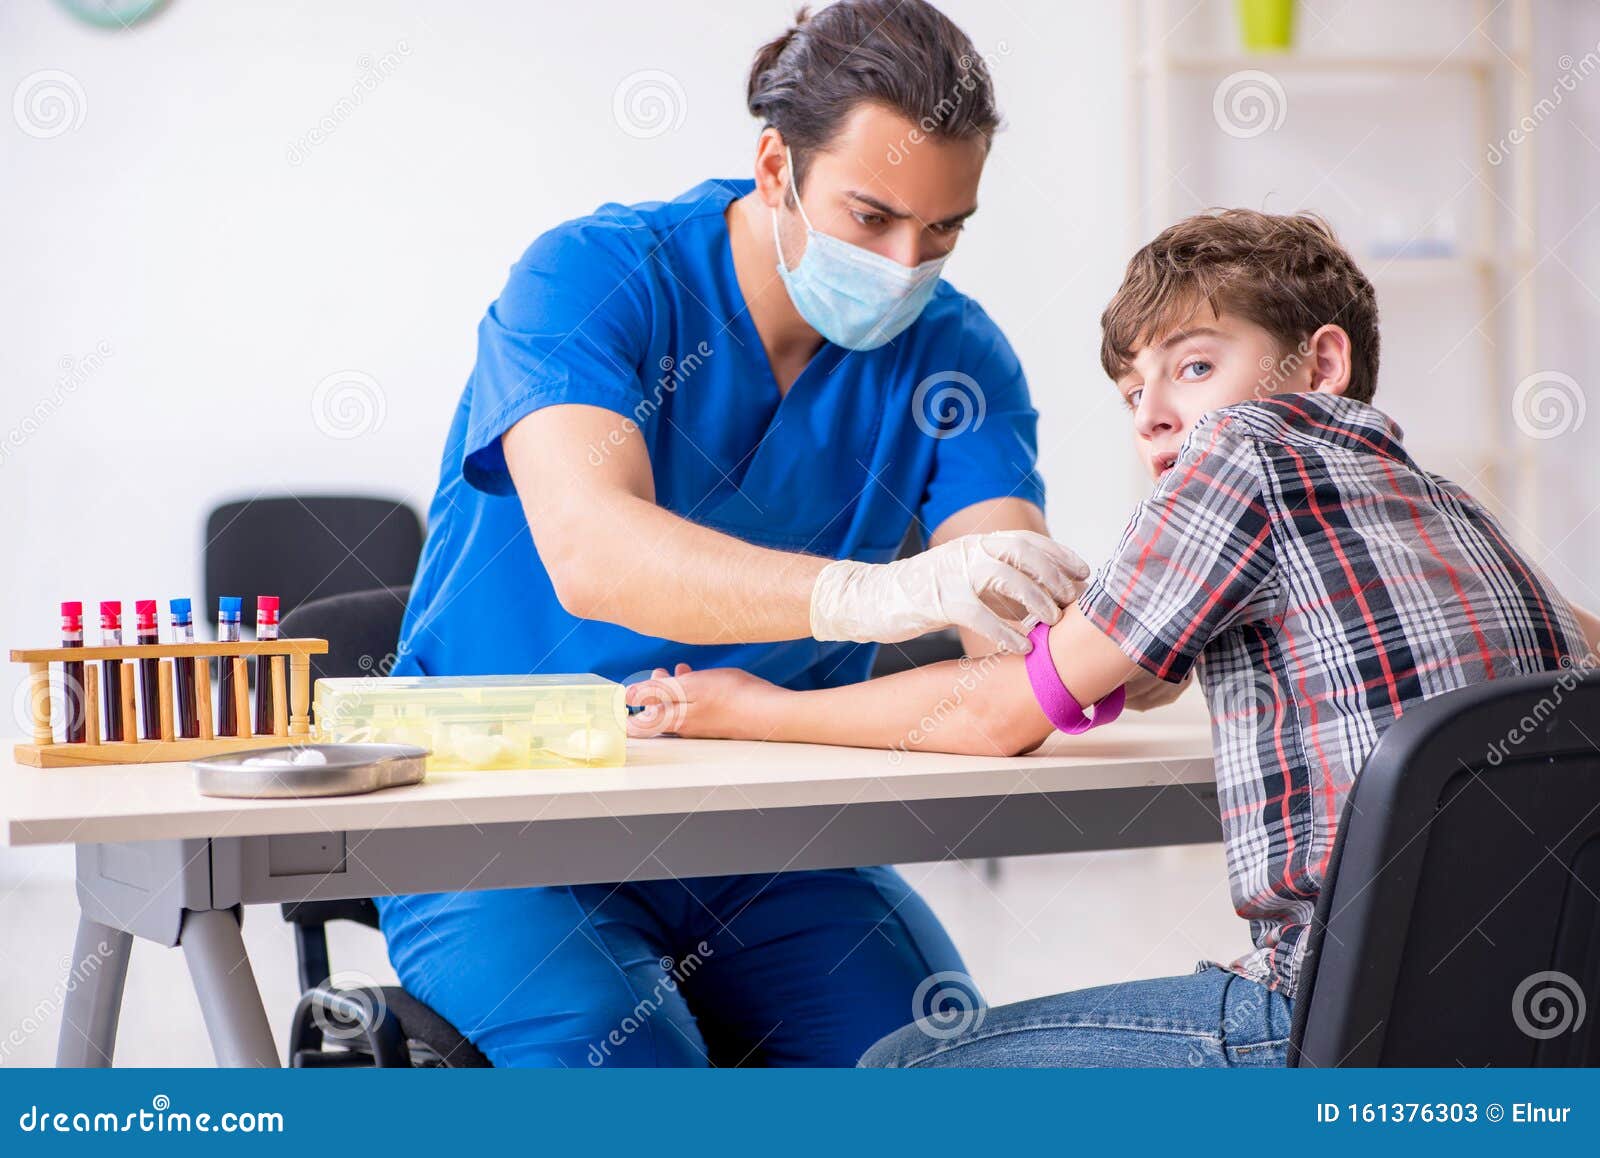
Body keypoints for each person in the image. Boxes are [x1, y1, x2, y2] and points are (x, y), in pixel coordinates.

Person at [628, 208, 1600, 1067]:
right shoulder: (1452, 505)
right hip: (1536, 1026)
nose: (1156, 417)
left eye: (1195, 366)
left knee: (901, 1071)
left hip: (1333, 1025)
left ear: (1322, 364)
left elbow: (994, 717)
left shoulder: (1238, 456)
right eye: (1133, 393)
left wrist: (751, 707)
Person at [376, 0, 1130, 1067]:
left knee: (936, 1069)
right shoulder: (591, 280)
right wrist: (877, 594)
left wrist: (1109, 636)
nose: (907, 265)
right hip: (505, 813)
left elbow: (1012, 656)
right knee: (634, 1072)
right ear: (776, 166)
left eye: (944, 230)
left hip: (770, 828)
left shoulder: (956, 360)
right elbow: (594, 554)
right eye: (872, 217)